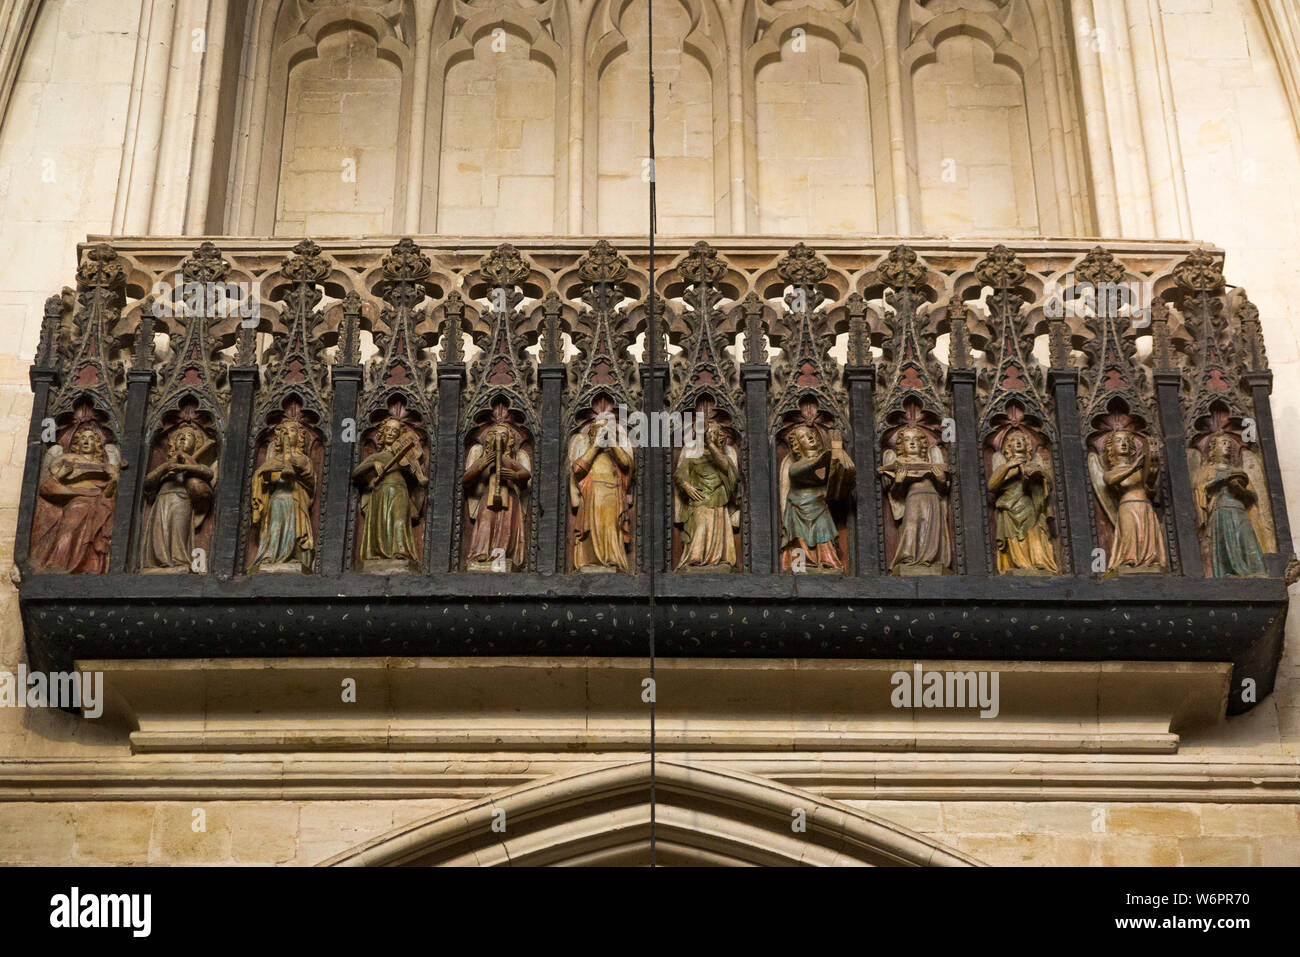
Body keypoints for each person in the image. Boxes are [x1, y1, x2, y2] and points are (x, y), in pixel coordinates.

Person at [30, 426, 119, 574]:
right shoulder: (68, 461)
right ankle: (58, 564)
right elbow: (47, 487)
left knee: (95, 533)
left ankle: (89, 567)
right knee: (69, 530)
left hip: (98, 504)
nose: (86, 441)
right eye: (83, 438)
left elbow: (109, 494)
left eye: (91, 438)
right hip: (76, 503)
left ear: (97, 444)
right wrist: (62, 474)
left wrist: (113, 480)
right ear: (77, 443)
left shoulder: (105, 467)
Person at [462, 402, 532, 572]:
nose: (498, 438)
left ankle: (500, 554)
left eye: (502, 435)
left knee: (505, 524)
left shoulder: (509, 460)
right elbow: (465, 480)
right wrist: (481, 465)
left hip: (509, 498)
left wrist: (514, 475)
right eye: (494, 435)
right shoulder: (483, 458)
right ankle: (481, 553)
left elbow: (525, 473)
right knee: (486, 520)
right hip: (487, 497)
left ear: (509, 441)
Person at [569, 397, 635, 572]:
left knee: (611, 527)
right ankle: (592, 560)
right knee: (592, 527)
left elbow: (626, 464)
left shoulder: (615, 451)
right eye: (598, 431)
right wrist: (596, 446)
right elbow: (577, 470)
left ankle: (612, 559)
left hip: (612, 494)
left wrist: (611, 442)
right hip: (592, 494)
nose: (603, 434)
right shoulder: (588, 451)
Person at [779, 423, 855, 572]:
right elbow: (797, 473)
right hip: (798, 507)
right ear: (798, 444)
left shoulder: (826, 464)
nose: (810, 437)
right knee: (798, 539)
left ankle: (828, 563)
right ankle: (799, 566)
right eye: (803, 436)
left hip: (820, 507)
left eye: (811, 433)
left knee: (823, 535)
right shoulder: (796, 465)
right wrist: (825, 457)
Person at [353, 417, 426, 570]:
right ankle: (378, 552)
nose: (391, 433)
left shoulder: (404, 455)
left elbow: (415, 474)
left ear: (400, 434)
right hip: (381, 491)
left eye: (395, 430)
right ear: (382, 433)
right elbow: (355, 473)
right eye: (388, 429)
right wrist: (373, 464)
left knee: (398, 520)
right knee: (381, 522)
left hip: (399, 490)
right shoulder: (376, 456)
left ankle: (400, 551)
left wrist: (416, 472)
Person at [140, 423, 214, 572]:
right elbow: (147, 482)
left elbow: (208, 472)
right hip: (161, 500)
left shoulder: (191, 462)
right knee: (159, 532)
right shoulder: (168, 464)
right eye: (179, 436)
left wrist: (183, 467)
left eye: (188, 437)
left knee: (177, 531)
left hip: (181, 498)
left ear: (196, 443)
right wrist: (165, 467)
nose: (182, 439)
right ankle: (158, 563)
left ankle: (179, 562)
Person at [881, 425, 953, 575]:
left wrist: (940, 479)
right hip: (913, 499)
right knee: (912, 526)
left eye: (916, 439)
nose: (912, 443)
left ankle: (931, 559)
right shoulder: (899, 463)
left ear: (922, 444)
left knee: (932, 528)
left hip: (933, 499)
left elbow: (943, 491)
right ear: (901, 445)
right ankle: (908, 558)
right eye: (907, 440)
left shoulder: (931, 461)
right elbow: (896, 495)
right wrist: (899, 481)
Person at [987, 428, 1059, 574]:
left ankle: (1038, 562)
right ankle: (1021, 564)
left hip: (1032, 506)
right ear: (1008, 447)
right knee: (1016, 540)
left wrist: (1038, 474)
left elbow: (1049, 484)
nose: (1018, 442)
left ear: (1028, 446)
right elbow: (992, 485)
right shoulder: (1002, 464)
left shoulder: (1035, 462)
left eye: (1022, 440)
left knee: (1035, 533)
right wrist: (1010, 467)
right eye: (1014, 440)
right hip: (1010, 507)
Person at [1195, 432, 1266, 577]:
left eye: (1229, 443)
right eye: (1224, 443)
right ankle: (1231, 571)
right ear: (1213, 449)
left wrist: (1240, 490)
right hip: (1221, 510)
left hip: (1239, 510)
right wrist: (1220, 480)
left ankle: (1255, 572)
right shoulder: (1208, 470)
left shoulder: (1238, 472)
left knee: (1246, 540)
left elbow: (1253, 497)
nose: (1228, 446)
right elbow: (1201, 489)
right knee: (1227, 543)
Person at [250, 418, 316, 572]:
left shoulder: (303, 459)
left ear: (299, 436)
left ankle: (291, 555)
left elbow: (310, 481)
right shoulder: (274, 460)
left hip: (294, 501)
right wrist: (266, 475)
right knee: (274, 527)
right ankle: (270, 556)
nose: (287, 434)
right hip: (276, 501)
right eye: (284, 431)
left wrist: (296, 468)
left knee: (293, 529)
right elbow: (262, 478)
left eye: (292, 430)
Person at [675, 420, 740, 571]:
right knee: (700, 528)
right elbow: (679, 474)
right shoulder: (692, 454)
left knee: (718, 531)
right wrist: (686, 485)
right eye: (706, 432)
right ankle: (695, 558)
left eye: (713, 433)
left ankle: (717, 559)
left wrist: (710, 444)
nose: (709, 435)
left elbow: (727, 469)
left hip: (718, 499)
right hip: (699, 500)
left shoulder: (723, 456)